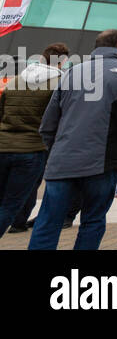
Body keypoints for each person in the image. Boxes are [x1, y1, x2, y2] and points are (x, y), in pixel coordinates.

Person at [29, 29, 117, 250]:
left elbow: (48, 123)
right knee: (92, 220)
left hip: (63, 161)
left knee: (47, 221)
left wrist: (57, 150)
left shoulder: (71, 73)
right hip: (101, 161)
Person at [0, 42, 66, 237]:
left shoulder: (16, 80)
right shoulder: (60, 83)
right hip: (33, 148)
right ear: (62, 62)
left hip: (3, 146)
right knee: (12, 203)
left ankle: (19, 222)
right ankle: (19, 222)